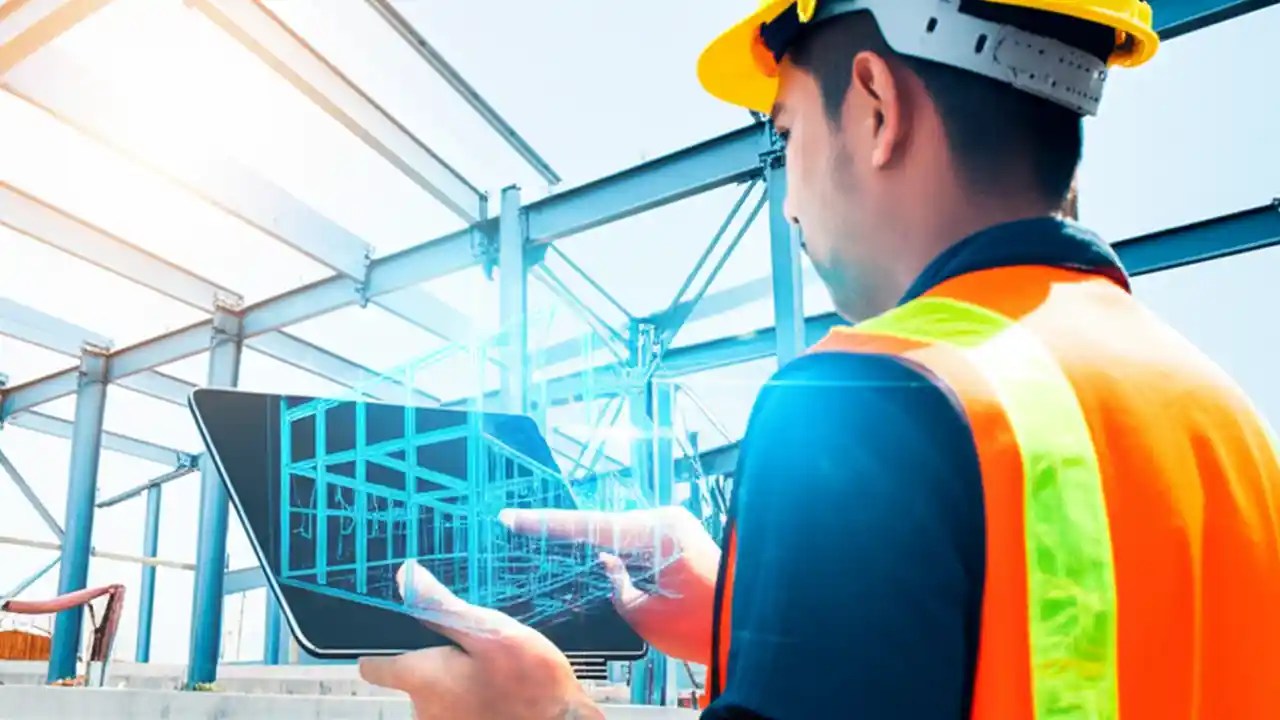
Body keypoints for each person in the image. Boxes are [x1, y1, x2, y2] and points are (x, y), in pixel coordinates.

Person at [357, 1, 1280, 718]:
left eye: (787, 135)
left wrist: (545, 711)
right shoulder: (1226, 420)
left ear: (875, 107)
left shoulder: (869, 394)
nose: (790, 199)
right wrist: (745, 616)